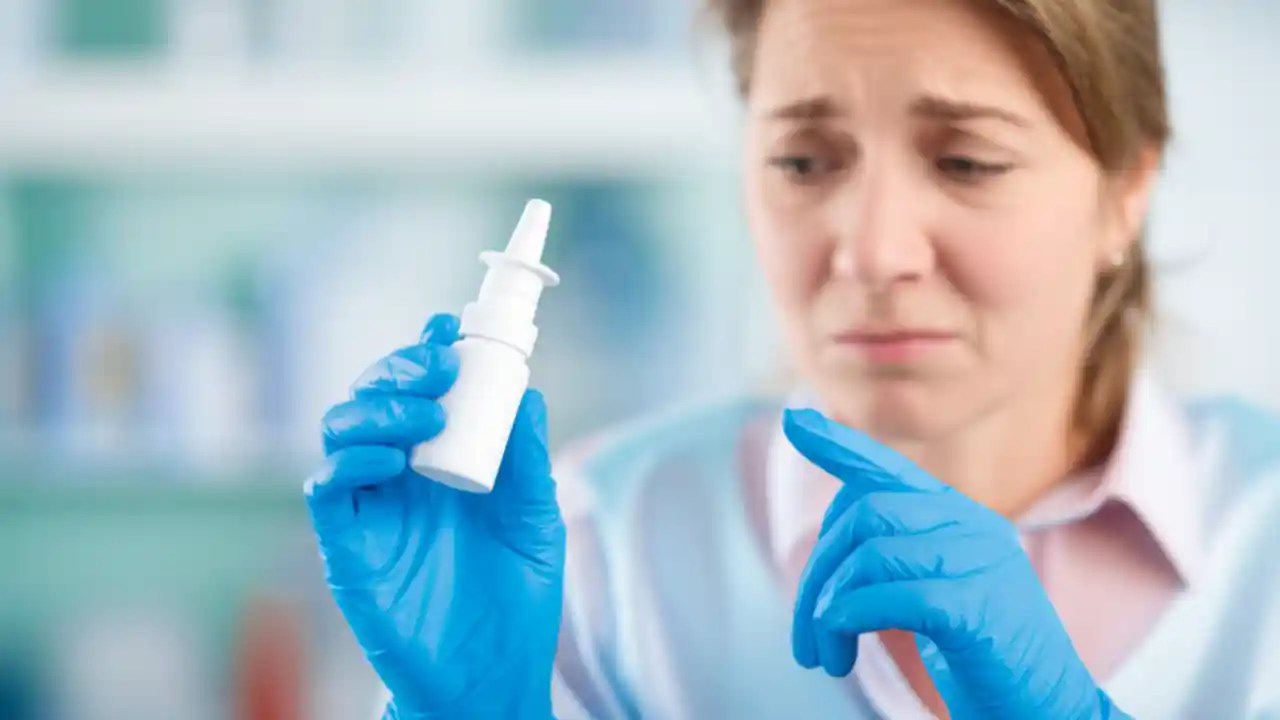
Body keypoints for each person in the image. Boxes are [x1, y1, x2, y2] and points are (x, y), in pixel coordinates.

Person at [303, 0, 1280, 717]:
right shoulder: (600, 546)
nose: (869, 249)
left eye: (966, 161)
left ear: (1124, 190)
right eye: (803, 162)